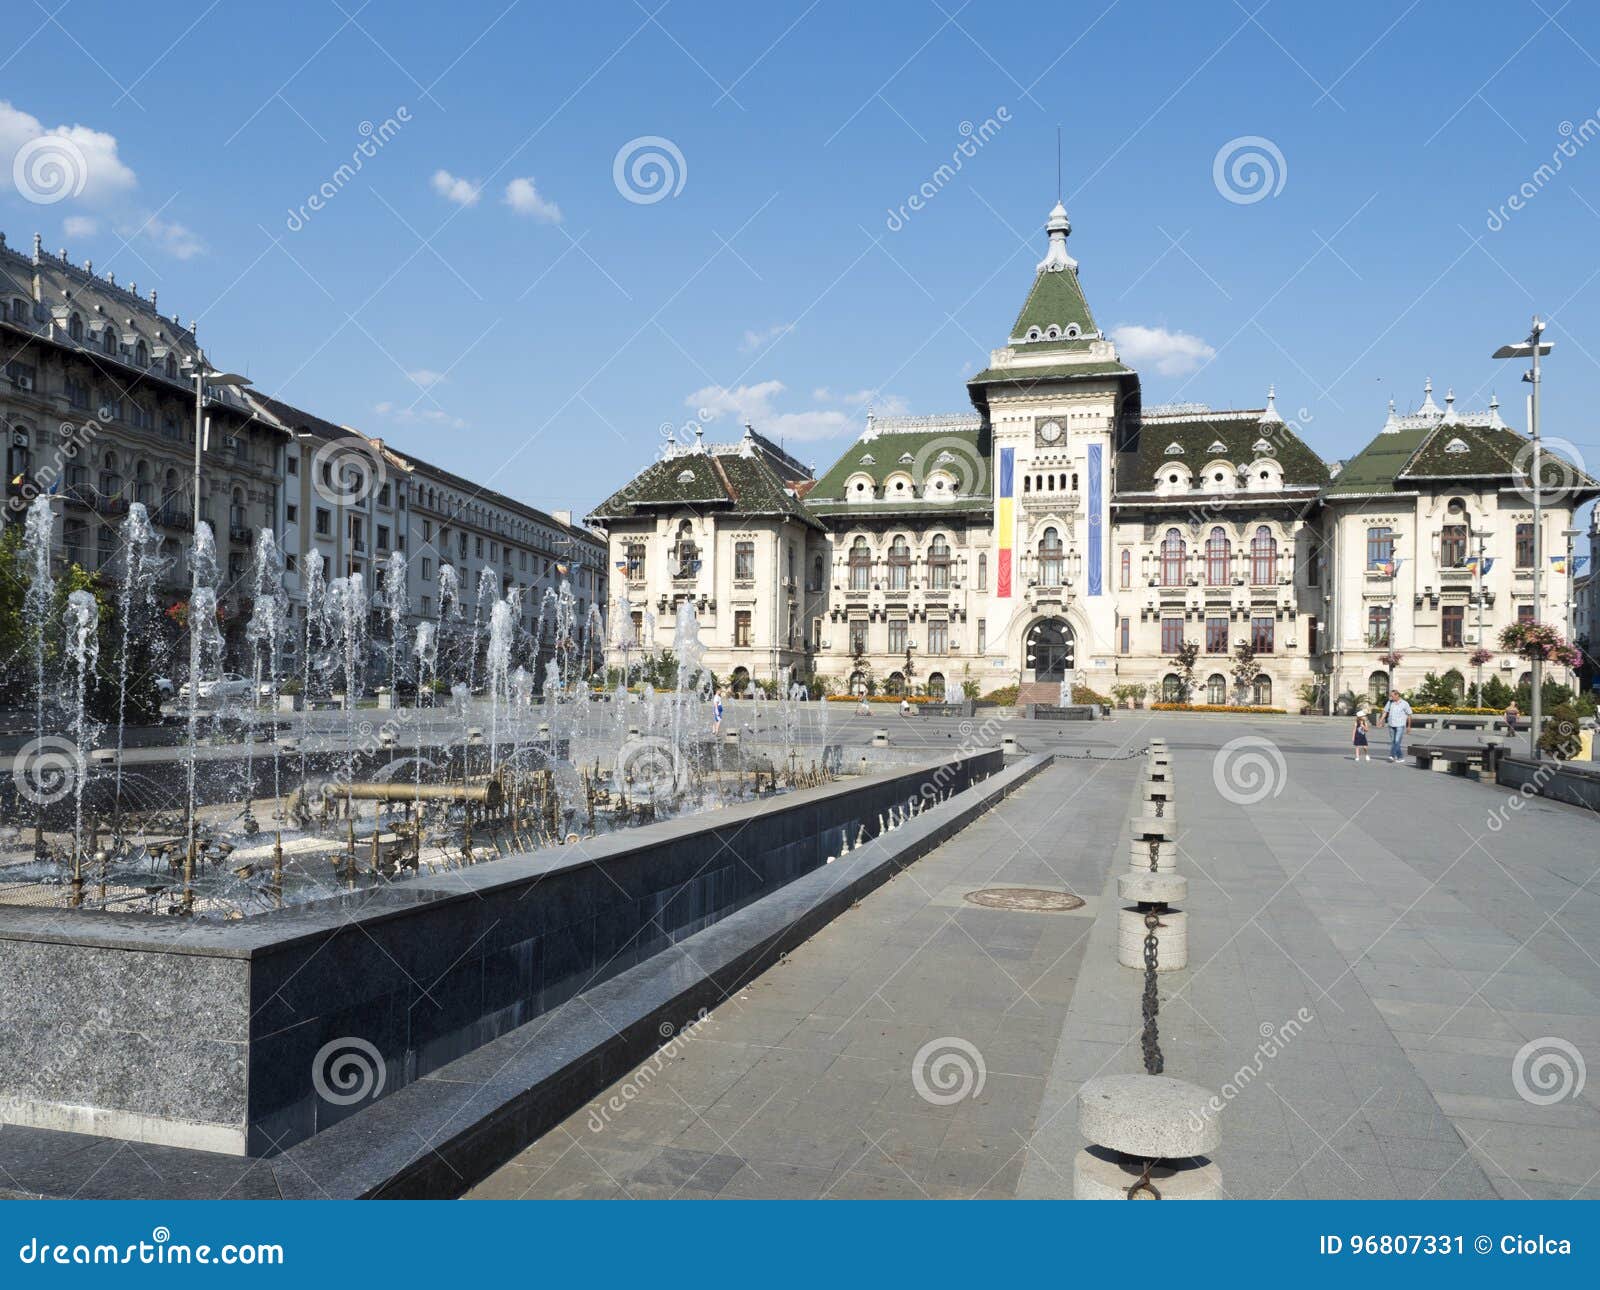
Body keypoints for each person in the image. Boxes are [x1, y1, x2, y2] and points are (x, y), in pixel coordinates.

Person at [1380, 688, 1413, 763]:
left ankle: (1392, 755)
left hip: (1400, 725)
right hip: (1391, 724)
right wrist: (1381, 720)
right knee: (1393, 742)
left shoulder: (1404, 703)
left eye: (1392, 696)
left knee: (1397, 741)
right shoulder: (1390, 702)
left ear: (1397, 695)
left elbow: (1409, 715)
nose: (1391, 697)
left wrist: (1409, 726)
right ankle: (1400, 757)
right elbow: (1385, 712)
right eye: (1390, 696)